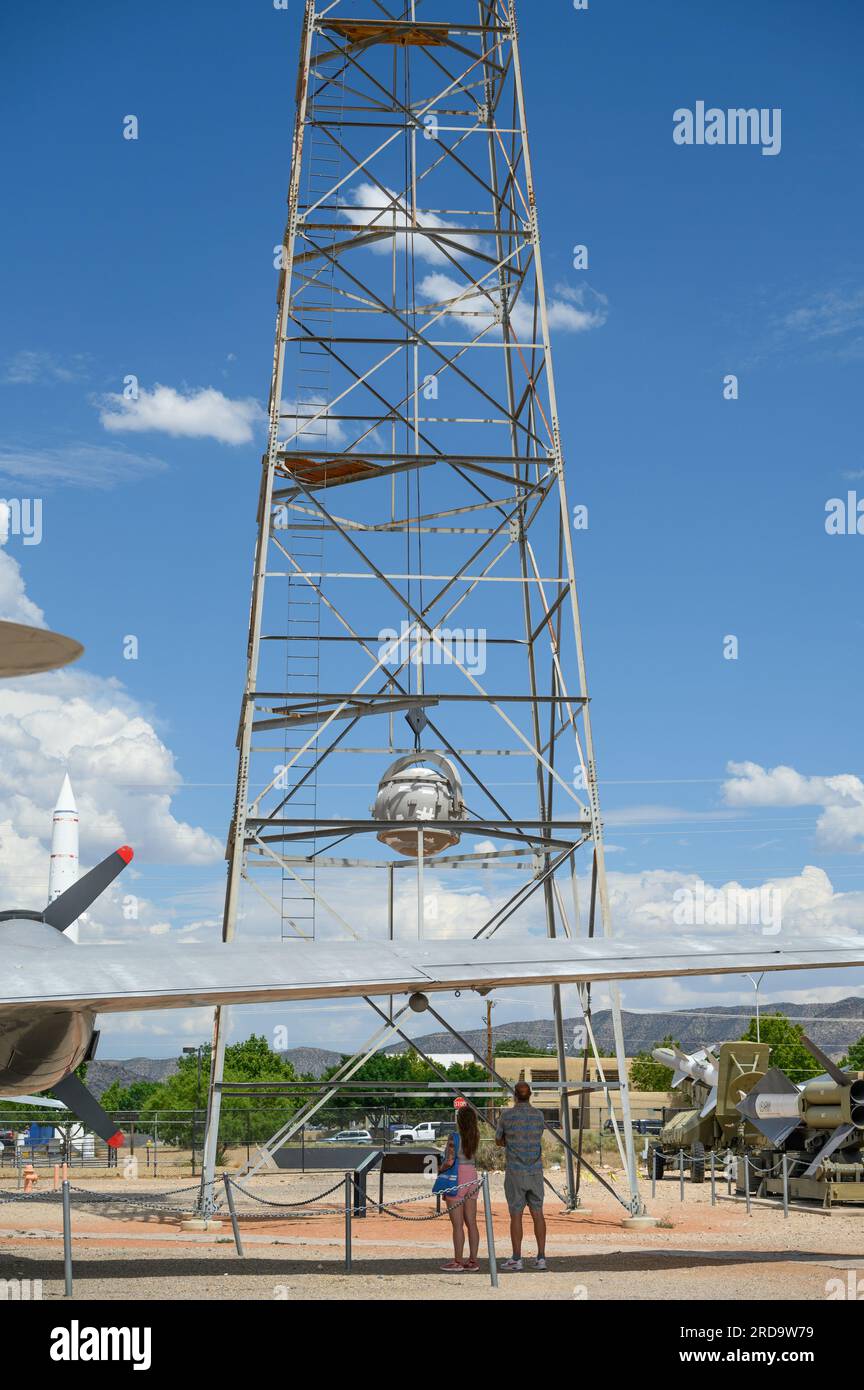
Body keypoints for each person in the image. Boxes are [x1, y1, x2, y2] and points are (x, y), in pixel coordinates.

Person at [495, 1080, 547, 1271]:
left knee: (516, 1214)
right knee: (538, 1213)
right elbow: (539, 1135)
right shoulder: (539, 1115)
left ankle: (517, 1258)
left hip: (515, 1171)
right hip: (535, 1170)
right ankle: (541, 1257)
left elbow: (498, 1140)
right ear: (530, 1094)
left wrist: (511, 1141)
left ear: (514, 1095)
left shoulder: (506, 1115)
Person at [438, 1106, 482, 1272]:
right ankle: (473, 1260)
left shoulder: (454, 1137)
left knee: (457, 1224)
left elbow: (449, 1161)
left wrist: (439, 1169)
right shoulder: (475, 1136)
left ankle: (457, 1261)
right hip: (472, 1176)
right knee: (471, 1222)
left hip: (456, 1178)